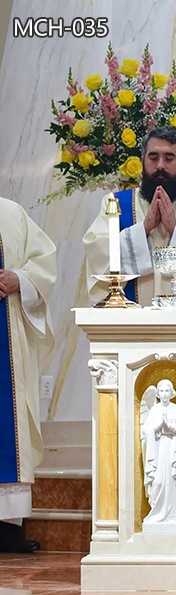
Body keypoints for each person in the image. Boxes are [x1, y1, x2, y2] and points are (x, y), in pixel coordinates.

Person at [83, 126, 176, 304]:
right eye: (153, 158)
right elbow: (97, 253)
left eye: (169, 158)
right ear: (142, 161)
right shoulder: (115, 203)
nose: (160, 165)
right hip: (129, 324)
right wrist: (143, 229)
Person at [0, 198, 57, 552]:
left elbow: (44, 262)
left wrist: (17, 278)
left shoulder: (10, 213)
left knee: (8, 425)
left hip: (5, 334)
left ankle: (6, 526)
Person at [140, 379, 176, 527]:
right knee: (158, 481)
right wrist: (158, 426)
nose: (164, 394)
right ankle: (156, 513)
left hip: (173, 448)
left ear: (171, 393)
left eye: (166, 391)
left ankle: (174, 513)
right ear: (157, 393)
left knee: (173, 480)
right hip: (157, 448)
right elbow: (146, 429)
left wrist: (170, 425)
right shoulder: (155, 409)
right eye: (161, 391)